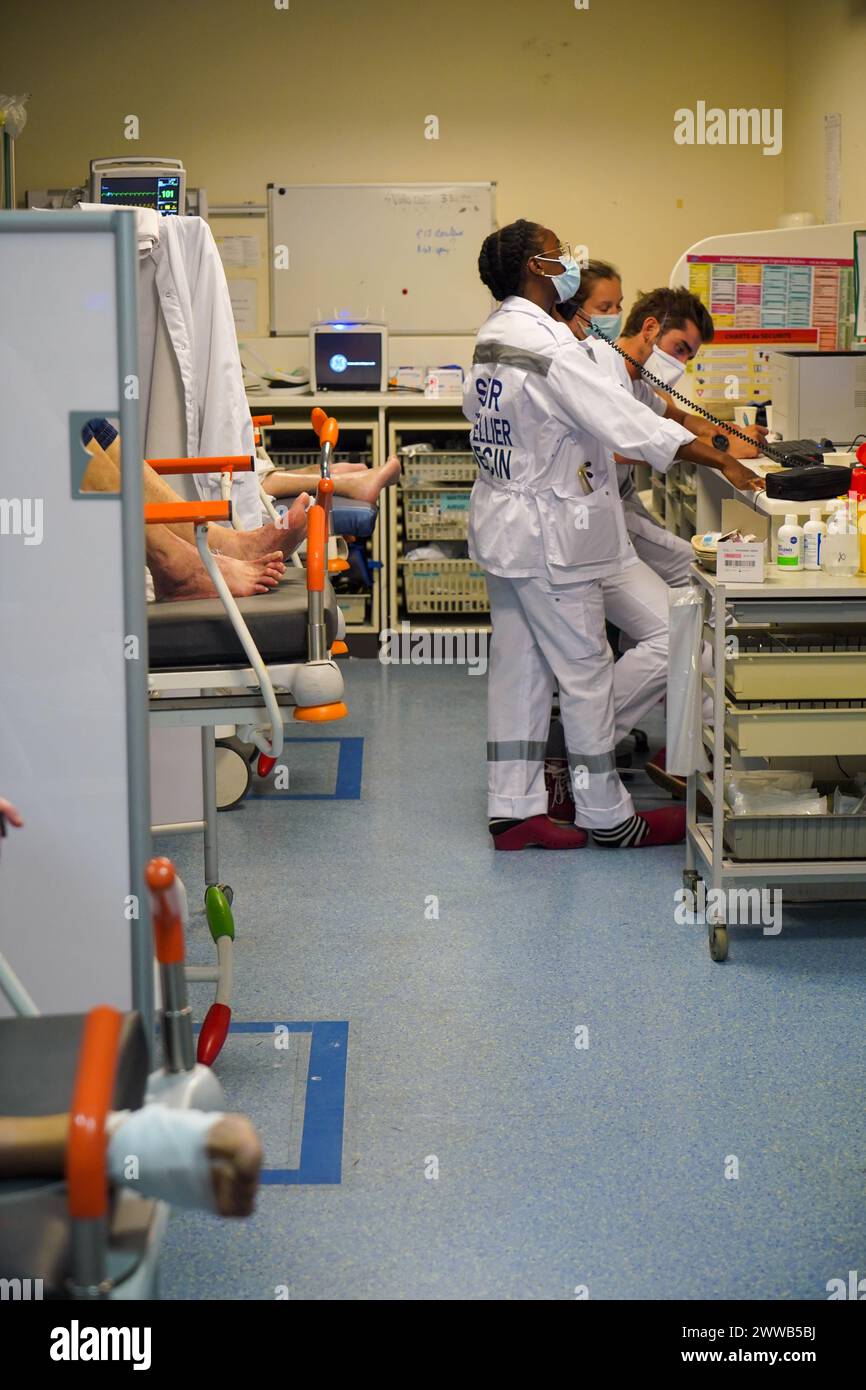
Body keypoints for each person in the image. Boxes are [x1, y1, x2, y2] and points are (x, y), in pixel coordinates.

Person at [465, 219, 763, 851]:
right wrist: (723, 461)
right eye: (555, 255)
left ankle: (513, 812)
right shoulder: (548, 346)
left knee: (519, 668)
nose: (568, 261)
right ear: (533, 271)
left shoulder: (497, 333)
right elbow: (627, 425)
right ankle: (607, 814)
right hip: (551, 535)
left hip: (507, 530)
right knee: (586, 671)